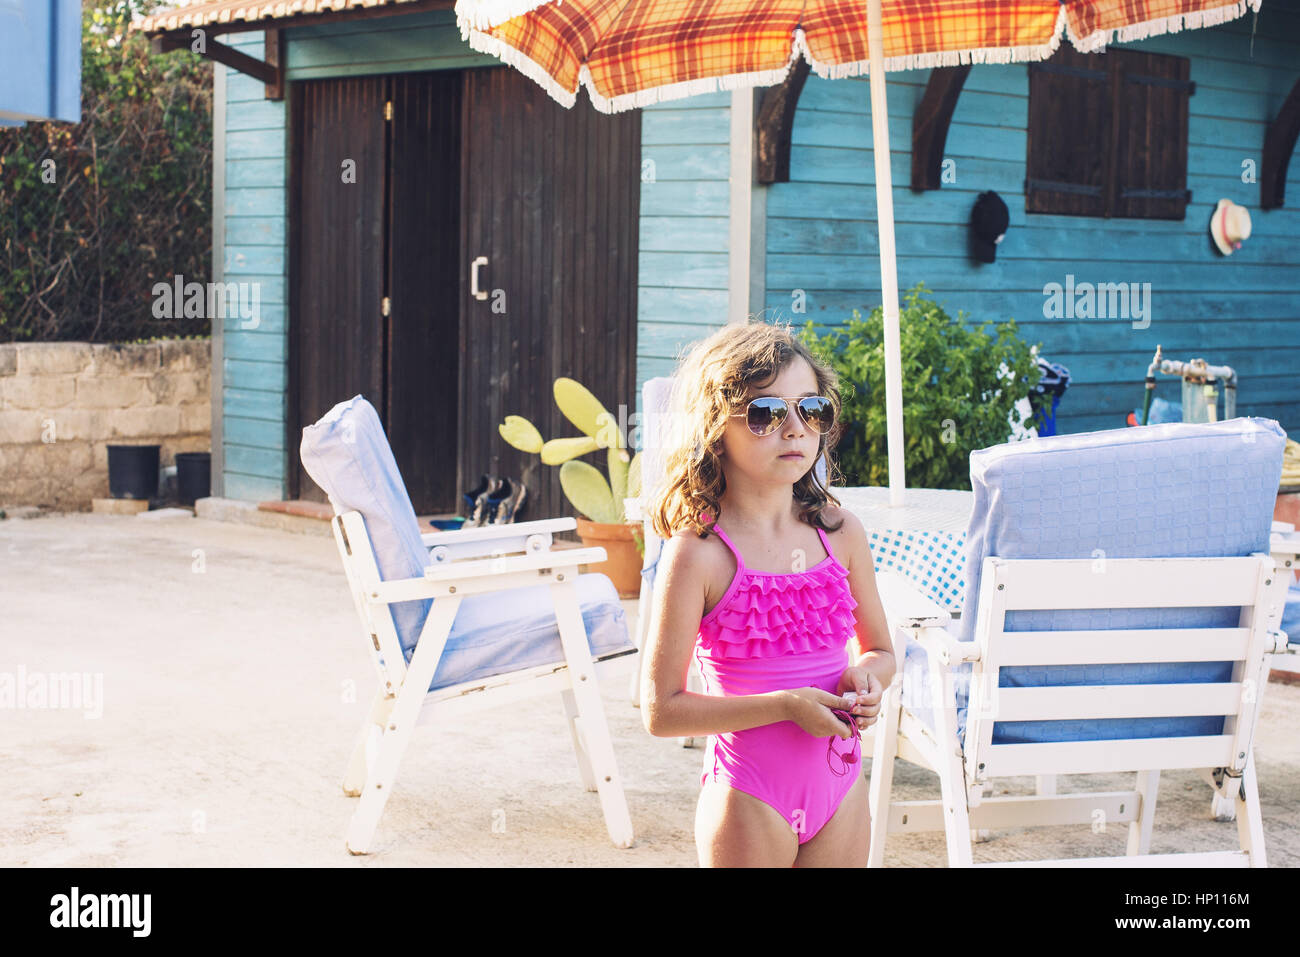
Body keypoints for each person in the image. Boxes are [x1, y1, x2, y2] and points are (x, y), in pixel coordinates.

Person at [641, 320, 895, 867]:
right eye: (765, 414)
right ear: (715, 428)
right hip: (750, 796)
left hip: (842, 788)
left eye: (812, 409)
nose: (796, 429)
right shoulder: (700, 553)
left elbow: (881, 651)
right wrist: (783, 706)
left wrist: (868, 678)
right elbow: (660, 710)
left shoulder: (839, 533)